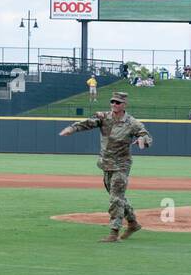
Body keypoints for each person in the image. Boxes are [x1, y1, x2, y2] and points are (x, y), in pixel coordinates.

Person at [58, 91, 152, 243]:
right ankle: (133, 223)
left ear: (124, 105)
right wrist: (73, 129)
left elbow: (145, 135)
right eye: (112, 101)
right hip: (106, 164)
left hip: (121, 165)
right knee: (118, 197)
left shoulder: (132, 123)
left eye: (118, 102)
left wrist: (143, 140)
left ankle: (114, 232)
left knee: (115, 198)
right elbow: (88, 123)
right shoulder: (104, 117)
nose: (114, 104)